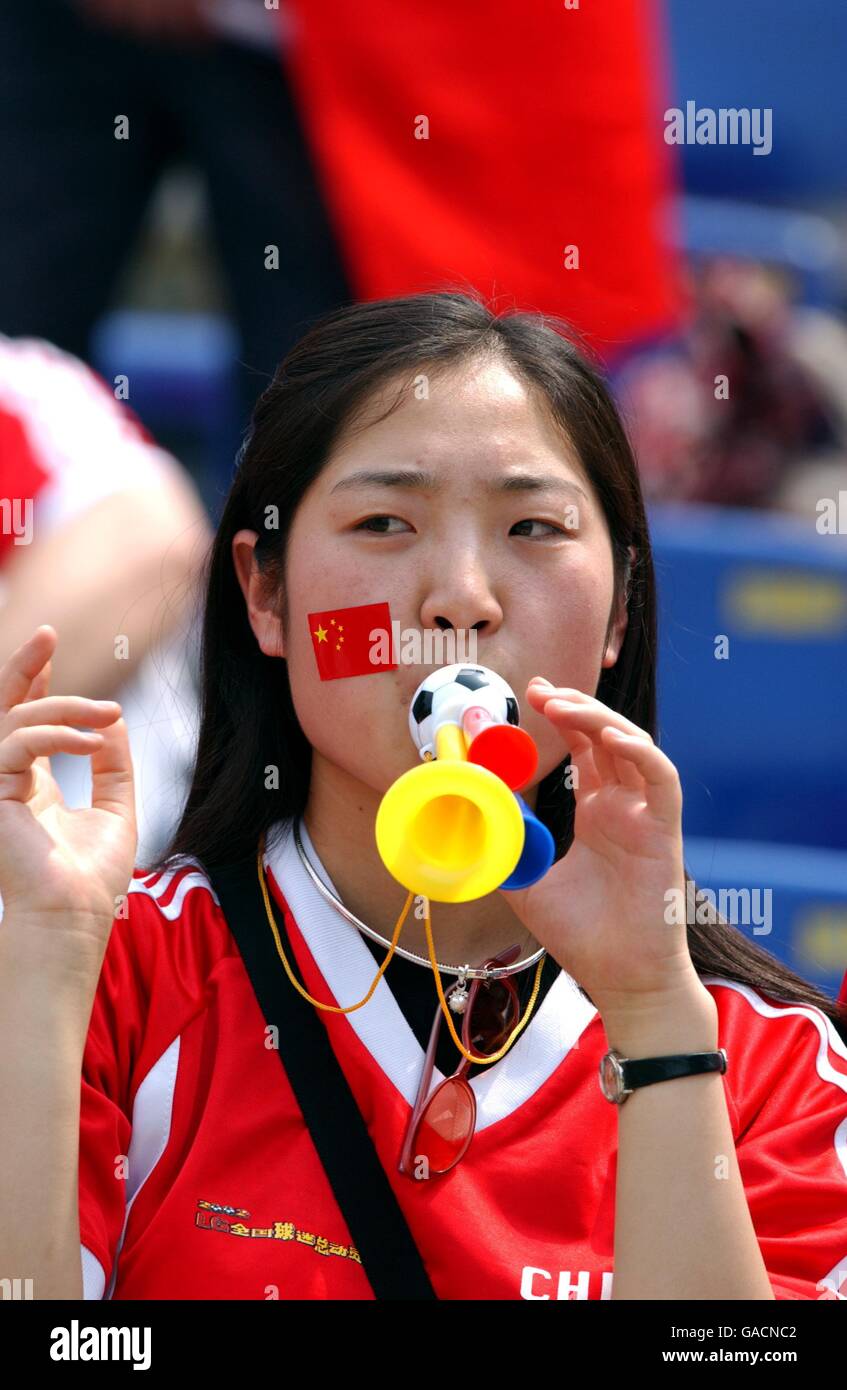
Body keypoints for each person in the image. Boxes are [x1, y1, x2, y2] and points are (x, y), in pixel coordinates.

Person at [1, 291, 845, 1302]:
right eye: (383, 522)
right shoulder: (106, 977)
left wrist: (652, 1017)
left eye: (533, 526)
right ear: (267, 595)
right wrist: (47, 956)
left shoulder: (768, 1061)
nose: (458, 597)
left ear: (618, 611)